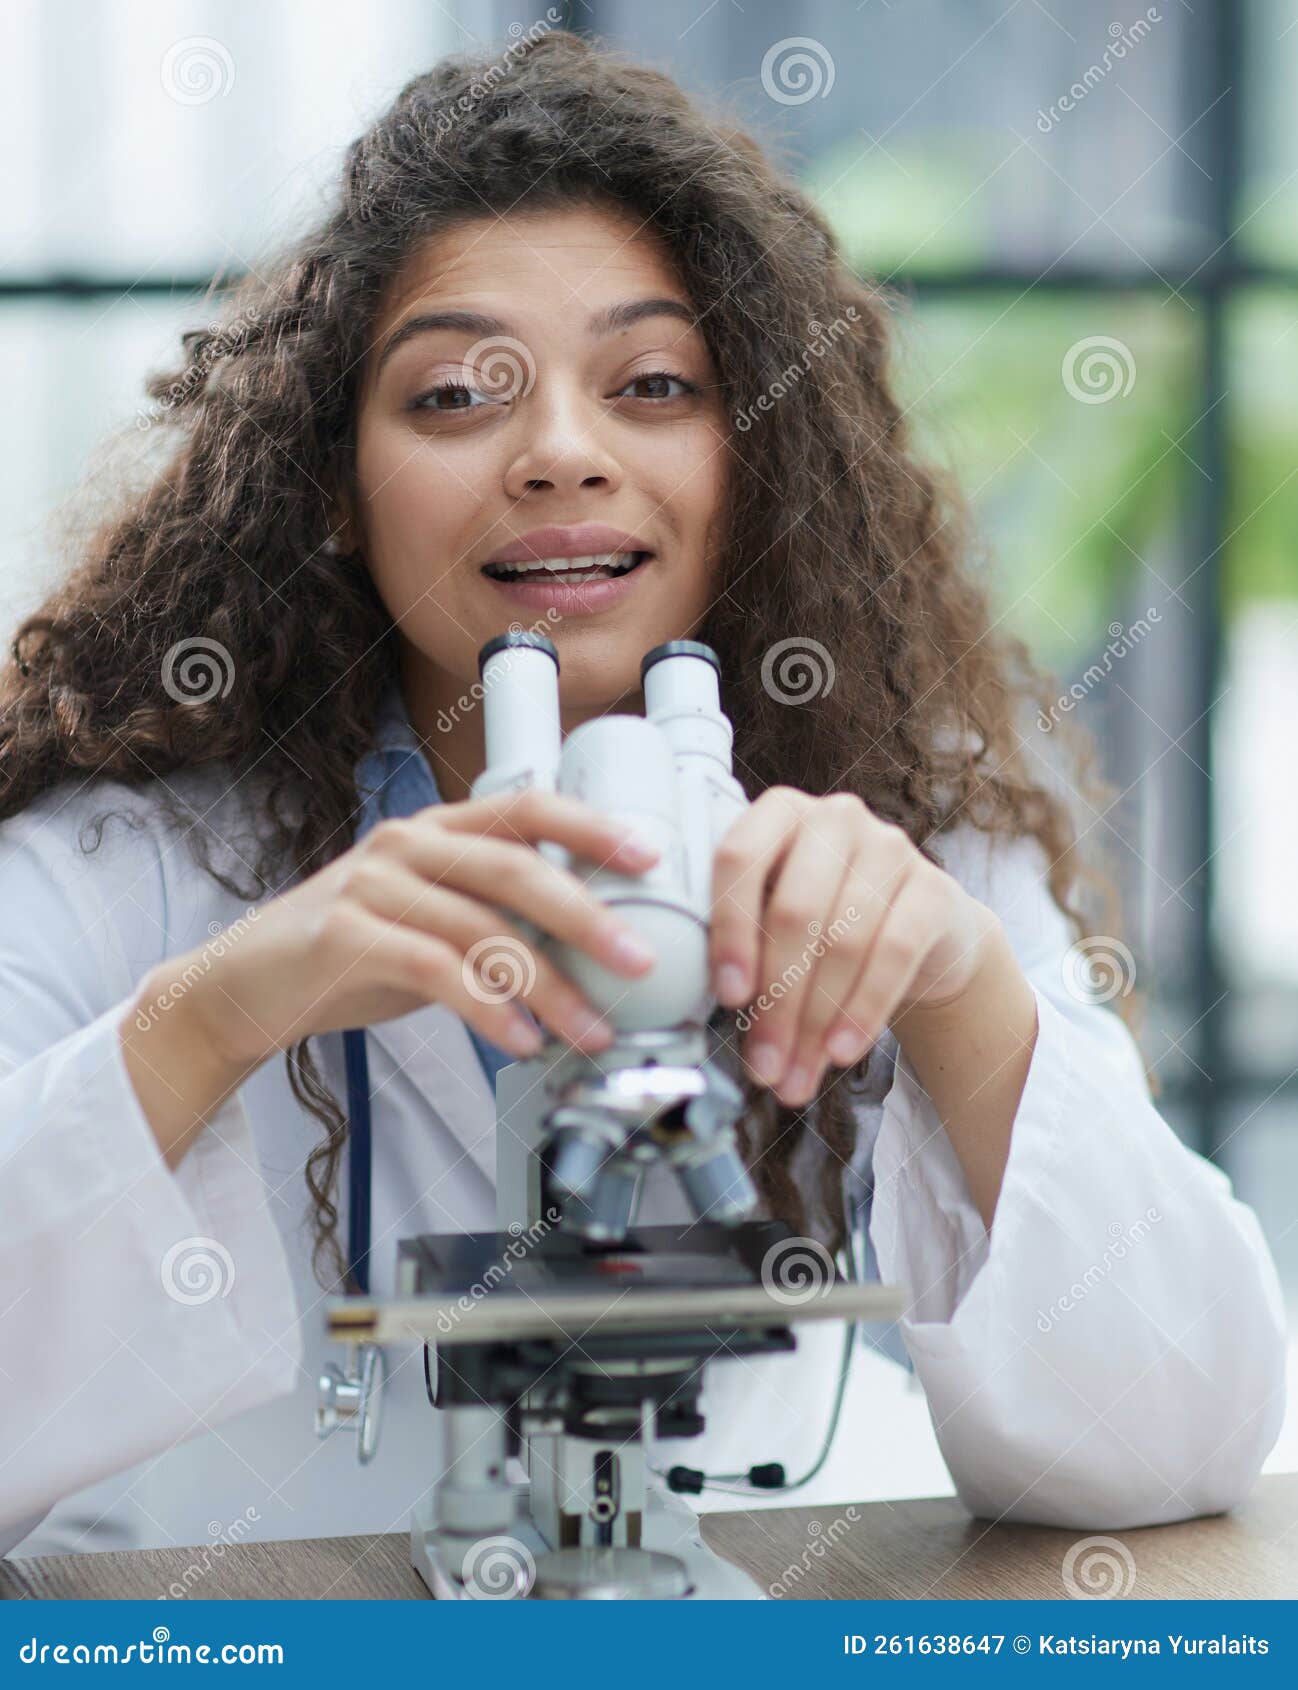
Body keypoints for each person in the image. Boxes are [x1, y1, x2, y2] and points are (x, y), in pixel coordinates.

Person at [0, 30, 1284, 1561]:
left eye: (654, 384)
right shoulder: (114, 874)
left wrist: (960, 996)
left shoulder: (901, 849)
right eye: (456, 395)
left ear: (751, 455)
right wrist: (210, 1016)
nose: (558, 452)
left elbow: (1182, 1430)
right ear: (331, 486)